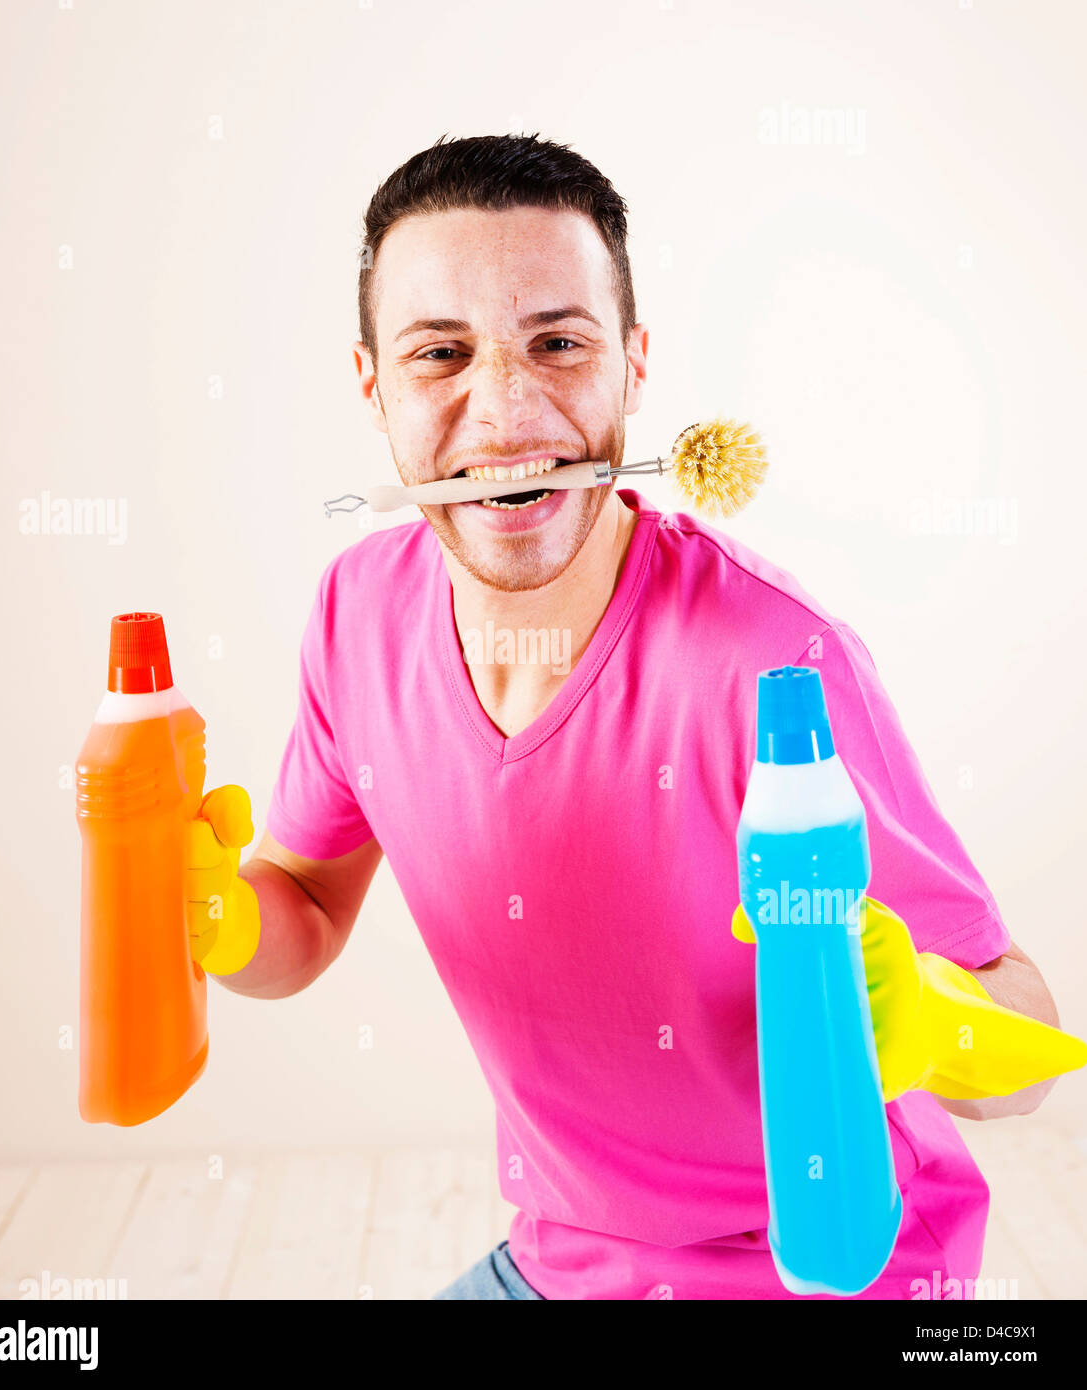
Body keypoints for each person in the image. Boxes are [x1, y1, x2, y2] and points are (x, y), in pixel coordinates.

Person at [196, 133, 1078, 1300]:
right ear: (373, 385)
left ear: (634, 365)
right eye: (440, 353)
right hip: (565, 1263)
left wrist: (926, 1015)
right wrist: (211, 913)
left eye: (558, 343)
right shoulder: (357, 615)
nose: (507, 413)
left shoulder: (775, 663)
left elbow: (1029, 1044)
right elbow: (303, 908)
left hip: (836, 1271)